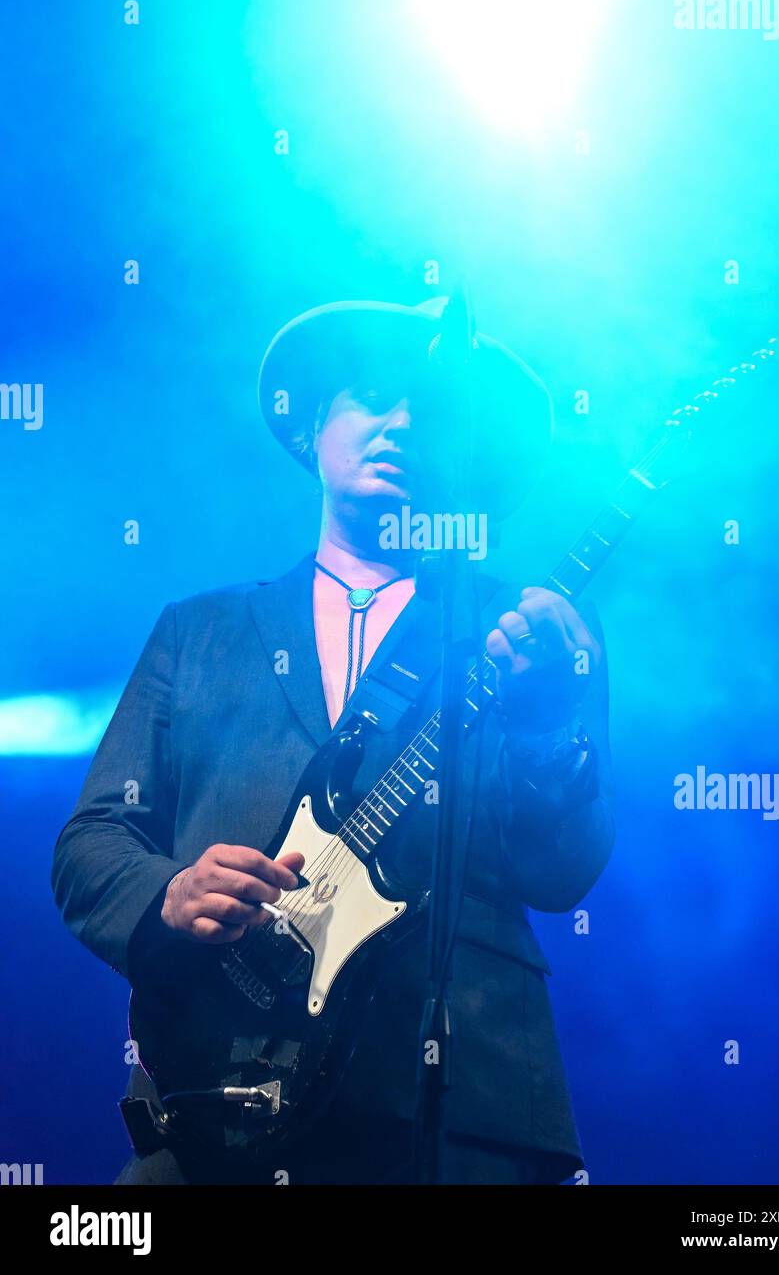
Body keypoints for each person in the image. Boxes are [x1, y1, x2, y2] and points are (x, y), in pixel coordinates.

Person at [51, 297, 615, 1184]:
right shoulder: (198, 632)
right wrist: (168, 894)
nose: (400, 423)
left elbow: (563, 874)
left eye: (430, 411)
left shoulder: (529, 635)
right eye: (372, 397)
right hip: (218, 1098)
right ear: (313, 426)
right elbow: (90, 844)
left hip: (472, 1106)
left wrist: (548, 729)